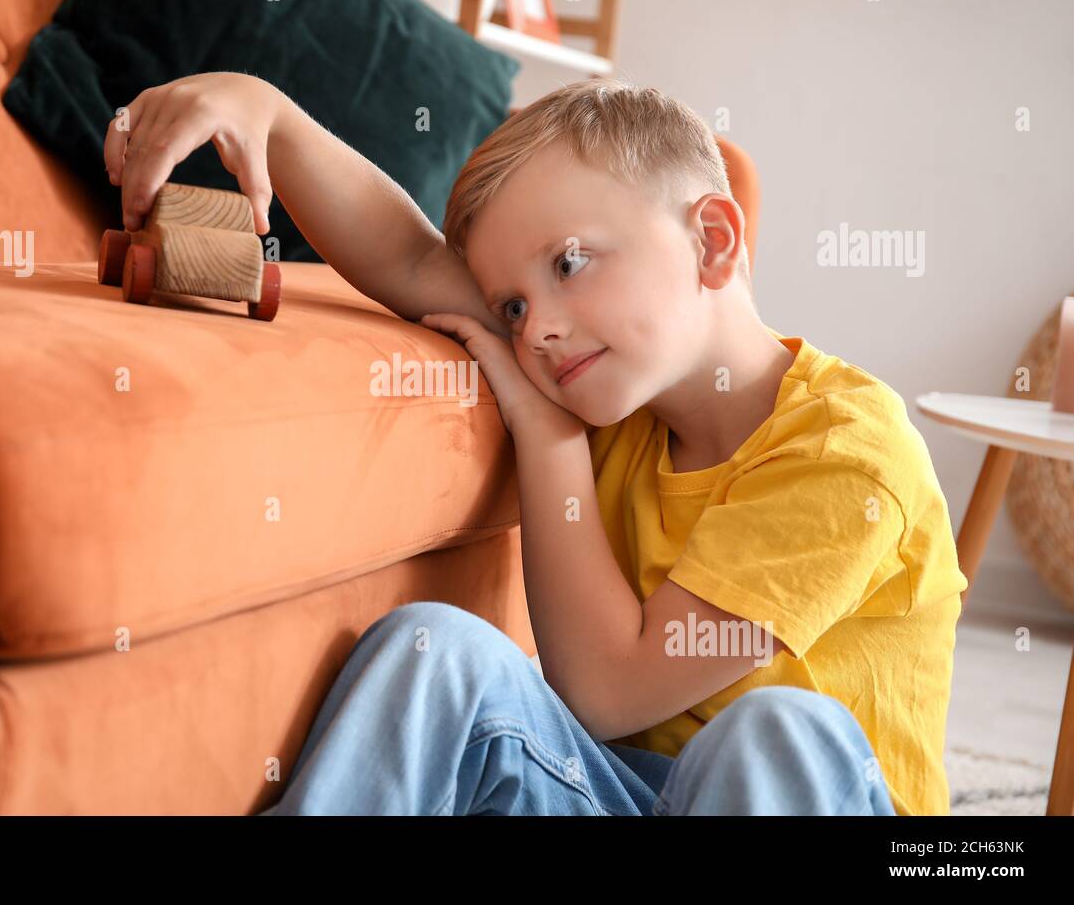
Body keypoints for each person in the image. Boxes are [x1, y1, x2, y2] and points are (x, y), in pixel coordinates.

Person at [104, 73, 965, 815]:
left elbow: (606, 689)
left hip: (795, 797)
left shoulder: (846, 455)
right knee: (438, 648)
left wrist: (548, 439)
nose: (538, 331)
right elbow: (408, 257)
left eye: (569, 262)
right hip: (625, 790)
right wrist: (270, 114)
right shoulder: (602, 366)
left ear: (712, 241)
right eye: (510, 307)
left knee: (777, 733)